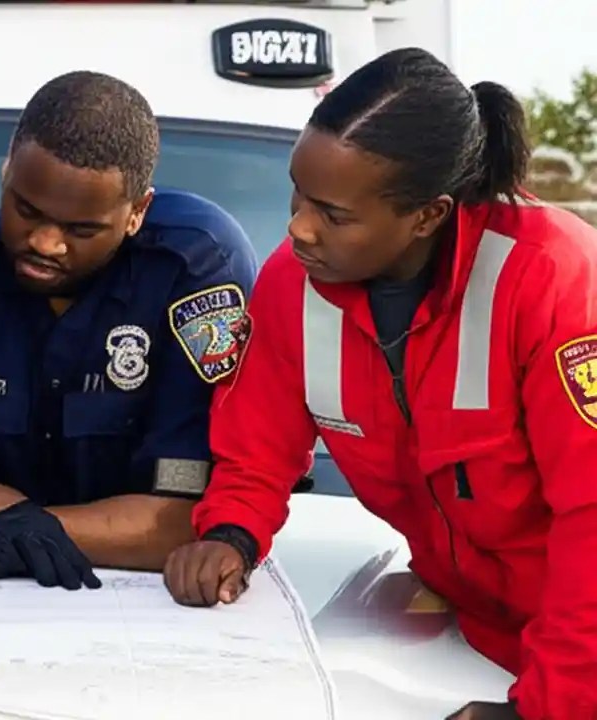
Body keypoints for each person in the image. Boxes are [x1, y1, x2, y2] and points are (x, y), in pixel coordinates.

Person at [164, 48, 597, 720]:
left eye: (333, 215)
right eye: (296, 193)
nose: (298, 227)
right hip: (479, 633)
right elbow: (256, 447)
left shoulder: (550, 280)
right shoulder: (290, 284)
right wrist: (231, 534)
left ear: (428, 215)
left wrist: (551, 710)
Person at [0, 70, 257, 591]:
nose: (44, 242)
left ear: (137, 212)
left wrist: (19, 527)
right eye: (26, 210)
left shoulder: (194, 268)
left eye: (80, 229)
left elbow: (193, 518)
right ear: (5, 173)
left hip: (149, 608)